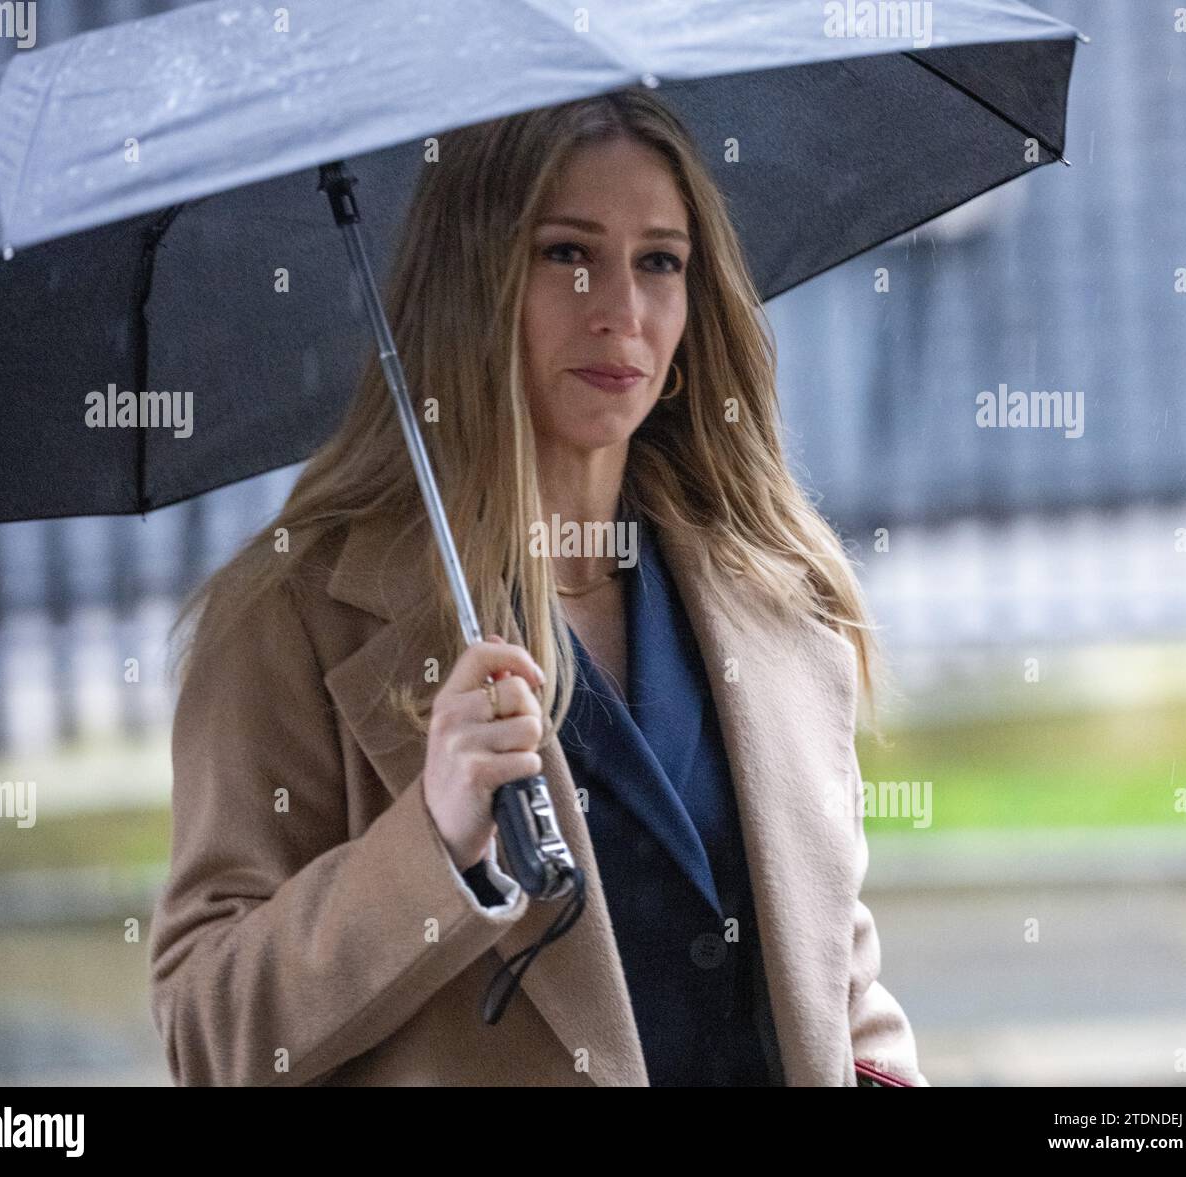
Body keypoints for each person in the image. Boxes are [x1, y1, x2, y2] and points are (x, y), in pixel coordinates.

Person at [148, 87, 927, 1087]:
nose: (620, 311)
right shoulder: (295, 619)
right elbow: (207, 1036)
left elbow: (837, 991)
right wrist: (429, 844)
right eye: (565, 253)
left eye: (659, 261)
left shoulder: (766, 597)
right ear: (472, 286)